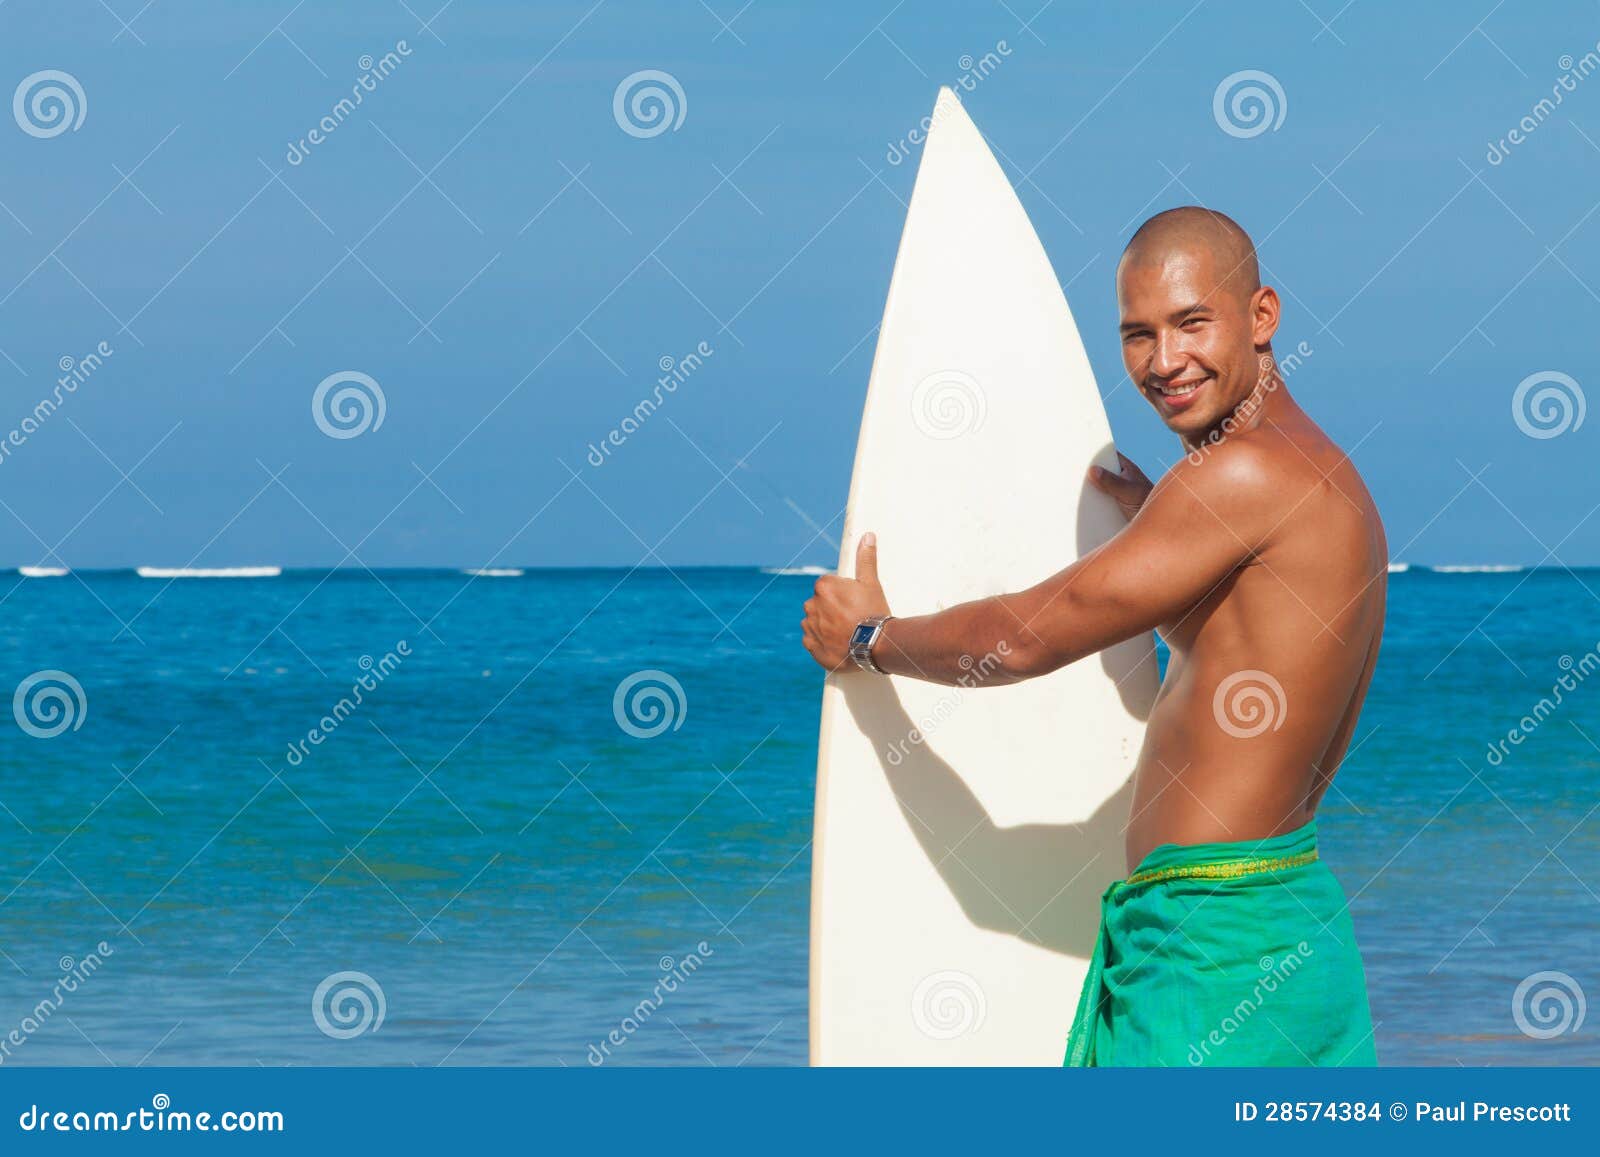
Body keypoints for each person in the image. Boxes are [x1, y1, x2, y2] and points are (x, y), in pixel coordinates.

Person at [800, 206, 1384, 1067]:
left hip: (1212, 950)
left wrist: (871, 635)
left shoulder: (1242, 474)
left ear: (1262, 315)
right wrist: (1165, 525)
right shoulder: (1317, 471)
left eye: (1192, 322)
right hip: (1276, 919)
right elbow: (1249, 637)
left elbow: (1030, 636)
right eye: (1137, 335)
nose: (1164, 361)